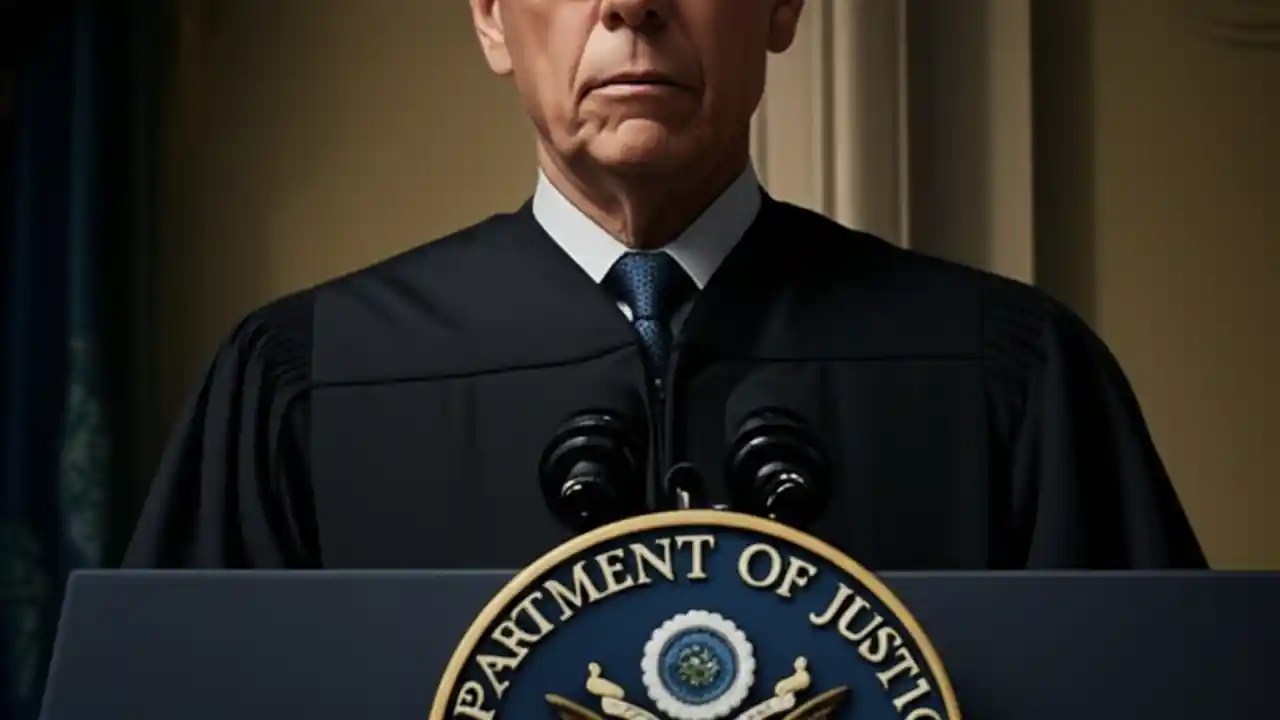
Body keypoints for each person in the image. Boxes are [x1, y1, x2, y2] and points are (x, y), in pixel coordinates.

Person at [123, 0, 1205, 570]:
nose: (630, 3)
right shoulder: (306, 384)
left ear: (782, 5)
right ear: (490, 16)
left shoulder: (1005, 375)